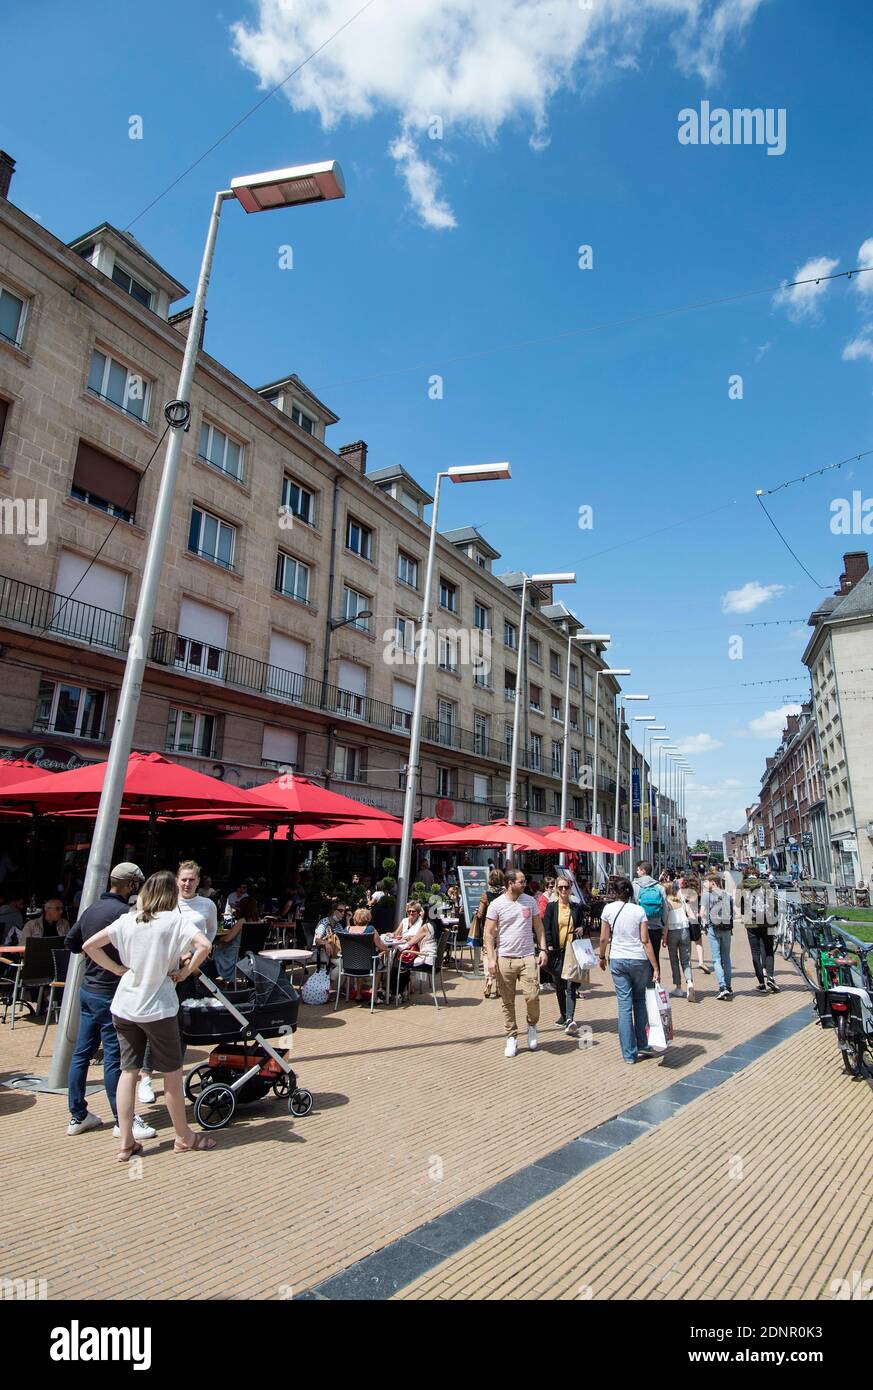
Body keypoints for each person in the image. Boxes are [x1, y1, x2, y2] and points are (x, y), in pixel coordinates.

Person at [83, 869, 215, 1160]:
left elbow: (88, 945)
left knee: (128, 1071)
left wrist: (117, 969)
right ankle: (183, 1135)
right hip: (158, 1007)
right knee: (171, 1072)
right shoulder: (174, 921)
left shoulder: (127, 920)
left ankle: (126, 1141)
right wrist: (185, 972)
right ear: (171, 894)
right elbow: (204, 945)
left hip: (125, 1004)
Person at [63, 863, 155, 1144]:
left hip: (88, 989)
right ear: (130, 886)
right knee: (115, 1058)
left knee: (81, 1053)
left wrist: (97, 960)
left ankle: (78, 1115)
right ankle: (121, 1119)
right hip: (112, 993)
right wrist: (115, 966)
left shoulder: (91, 909)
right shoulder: (124, 914)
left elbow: (71, 942)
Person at [139, 860, 218, 1107]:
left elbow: (211, 932)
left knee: (182, 1022)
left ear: (198, 881)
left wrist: (194, 958)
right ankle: (145, 1075)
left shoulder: (206, 904)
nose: (186, 884)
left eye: (191, 880)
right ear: (176, 880)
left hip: (191, 972)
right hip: (165, 969)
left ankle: (174, 1076)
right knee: (158, 1020)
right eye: (183, 879)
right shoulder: (167, 904)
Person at [484, 869, 548, 1058]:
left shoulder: (530, 901)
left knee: (532, 996)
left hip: (527, 956)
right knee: (507, 1001)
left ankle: (532, 1025)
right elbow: (489, 933)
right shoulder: (496, 905)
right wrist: (491, 959)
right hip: (505, 958)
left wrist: (543, 949)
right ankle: (511, 1035)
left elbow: (538, 927)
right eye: (521, 881)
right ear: (510, 883)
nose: (525, 883)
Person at [598, 876, 660, 1064]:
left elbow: (603, 938)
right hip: (639, 960)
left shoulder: (608, 909)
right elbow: (645, 940)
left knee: (624, 1006)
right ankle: (642, 1043)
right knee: (640, 1001)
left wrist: (601, 957)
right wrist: (655, 966)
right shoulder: (639, 910)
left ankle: (629, 1054)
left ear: (615, 893)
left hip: (618, 958)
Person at [543, 874, 587, 1035]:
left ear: (570, 889)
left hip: (573, 950)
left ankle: (570, 1018)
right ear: (556, 889)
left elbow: (582, 922)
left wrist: (581, 928)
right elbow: (546, 927)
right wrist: (547, 945)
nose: (563, 890)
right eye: (560, 887)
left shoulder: (576, 907)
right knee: (559, 984)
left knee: (571, 984)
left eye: (566, 887)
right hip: (556, 950)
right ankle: (563, 1015)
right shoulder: (551, 907)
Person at [740, 872, 780, 994]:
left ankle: (761, 983)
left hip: (751, 923)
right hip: (768, 921)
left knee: (755, 952)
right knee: (769, 950)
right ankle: (771, 977)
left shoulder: (743, 886)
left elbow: (740, 906)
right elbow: (774, 903)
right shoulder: (766, 885)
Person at [701, 871, 734, 1000]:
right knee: (726, 958)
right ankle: (729, 986)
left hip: (713, 929)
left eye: (706, 882)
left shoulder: (706, 895)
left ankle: (722, 987)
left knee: (716, 959)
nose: (704, 884)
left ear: (712, 883)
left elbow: (702, 913)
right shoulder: (727, 894)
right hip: (726, 929)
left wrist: (703, 921)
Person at [473, 868, 505, 980]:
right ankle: (497, 981)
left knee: (487, 952)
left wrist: (476, 913)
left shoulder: (486, 895)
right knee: (500, 953)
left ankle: (489, 978)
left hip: (489, 927)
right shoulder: (506, 894)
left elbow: (481, 914)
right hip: (503, 928)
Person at [664, 884, 695, 1002]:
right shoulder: (681, 898)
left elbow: (666, 922)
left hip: (672, 932)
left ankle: (678, 987)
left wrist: (664, 937)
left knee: (674, 960)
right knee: (686, 960)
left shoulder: (666, 902)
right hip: (685, 930)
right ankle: (690, 982)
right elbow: (690, 914)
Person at [633, 862, 668, 964]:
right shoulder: (659, 887)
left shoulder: (635, 886)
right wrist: (664, 925)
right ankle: (656, 977)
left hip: (639, 927)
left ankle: (644, 979)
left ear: (643, 871)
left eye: (638, 869)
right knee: (655, 956)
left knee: (641, 957)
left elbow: (632, 906)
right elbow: (665, 909)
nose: (637, 871)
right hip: (656, 927)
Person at [679, 874, 710, 975]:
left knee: (687, 944)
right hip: (694, 920)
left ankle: (688, 963)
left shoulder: (681, 893)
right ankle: (701, 962)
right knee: (698, 943)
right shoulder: (697, 894)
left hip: (684, 920)